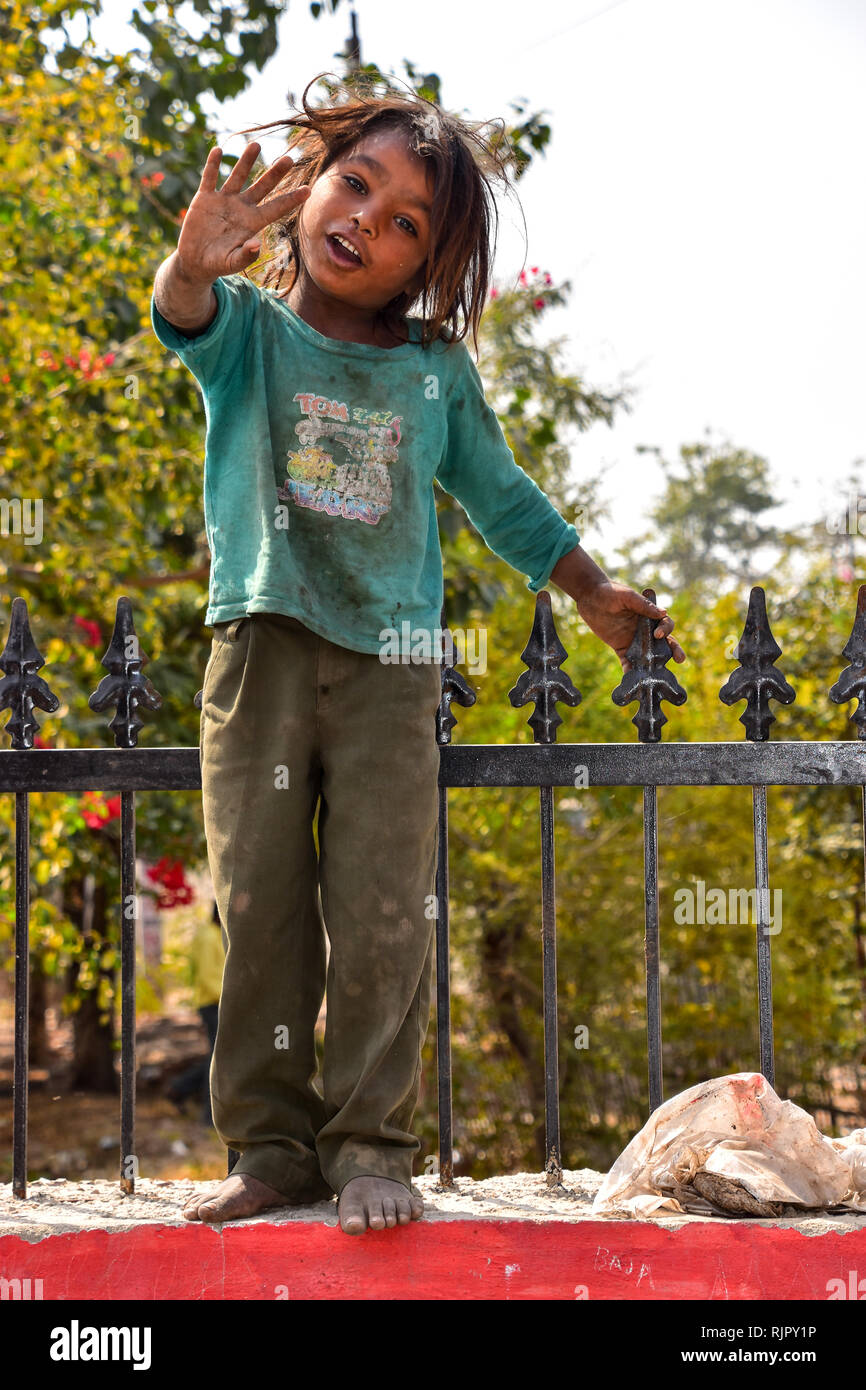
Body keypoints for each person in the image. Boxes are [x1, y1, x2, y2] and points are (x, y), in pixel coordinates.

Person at [150, 75, 686, 1237]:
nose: (366, 224)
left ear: (425, 267)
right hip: (261, 647)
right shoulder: (249, 330)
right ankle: (269, 1147)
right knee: (261, 908)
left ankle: (370, 1149)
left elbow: (499, 492)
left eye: (406, 225)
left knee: (388, 910)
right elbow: (181, 311)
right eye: (356, 186)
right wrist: (193, 263)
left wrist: (587, 589)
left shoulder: (434, 370)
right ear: (310, 182)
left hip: (393, 668)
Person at [165, 902, 225, 1126]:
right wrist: (231, 999)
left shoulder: (213, 934)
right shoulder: (209, 937)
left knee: (219, 1055)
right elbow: (209, 978)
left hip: (216, 1001)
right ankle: (210, 1115)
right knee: (219, 1058)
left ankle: (179, 1088)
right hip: (214, 1002)